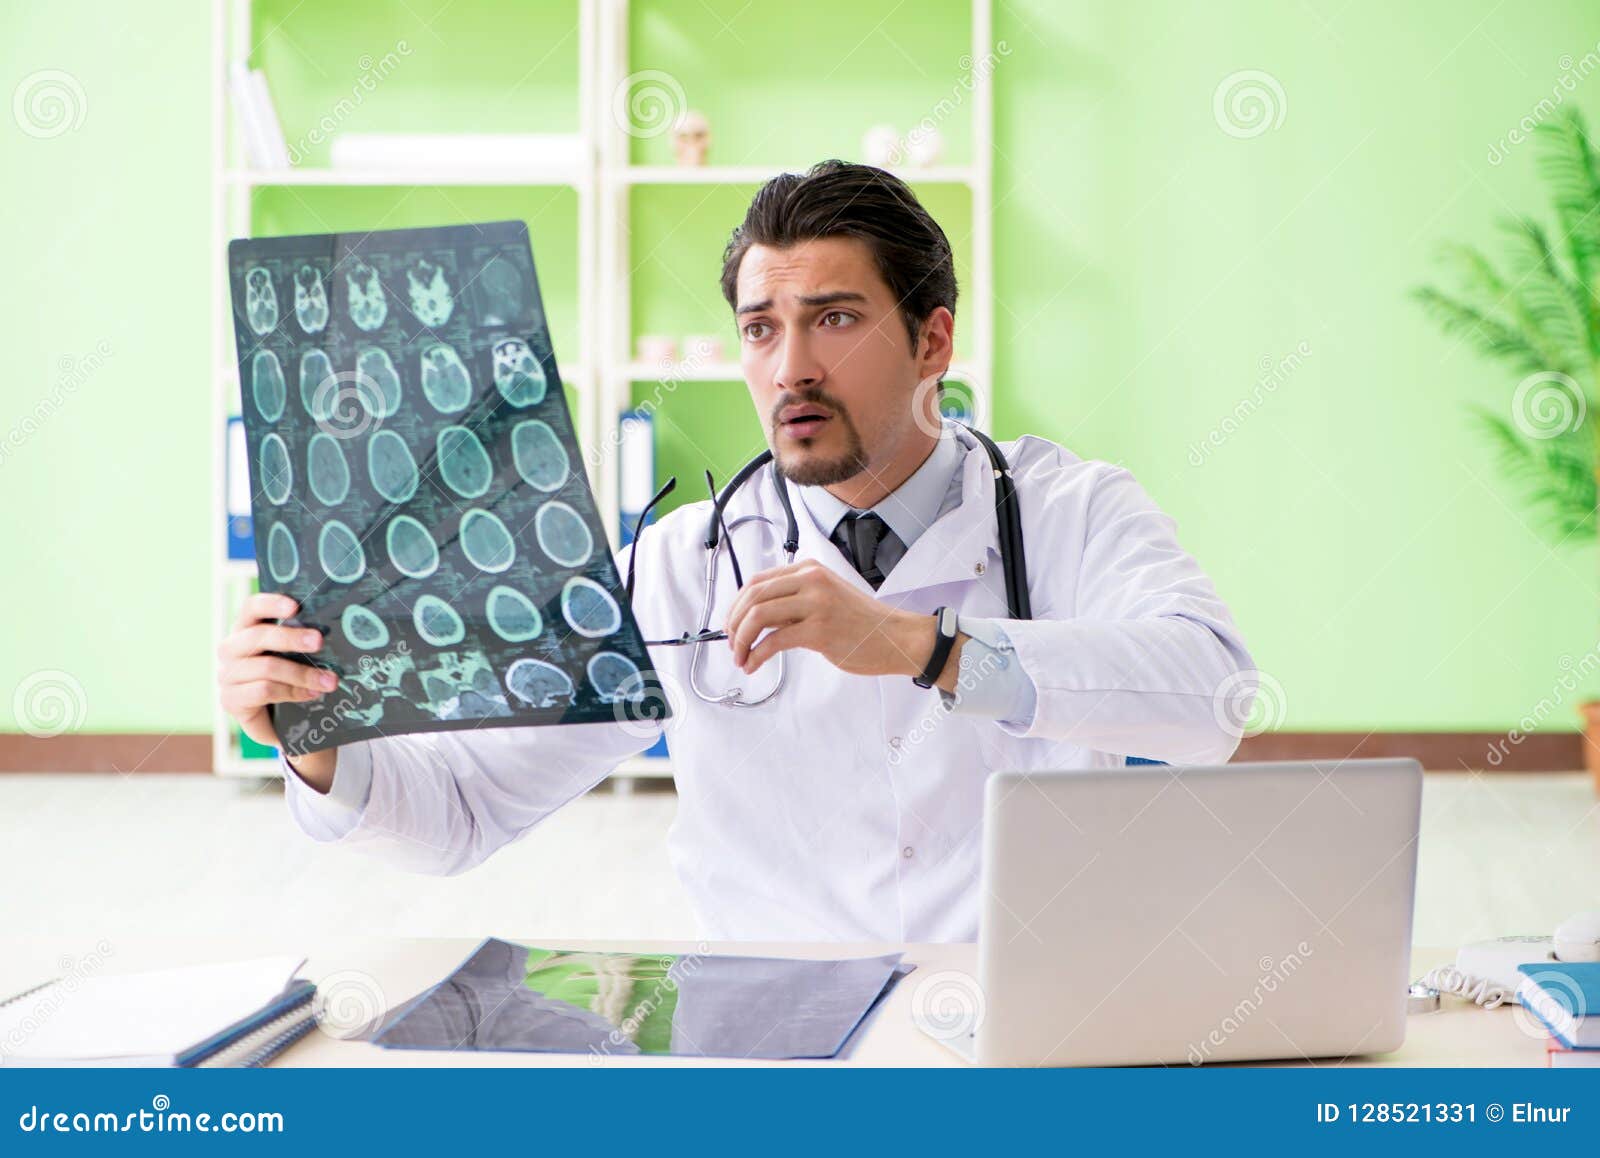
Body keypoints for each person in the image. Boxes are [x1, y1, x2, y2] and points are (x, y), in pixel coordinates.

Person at [217, 160, 1256, 943]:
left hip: (1011, 1032)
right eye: (760, 329)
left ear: (932, 341)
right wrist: (317, 738)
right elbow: (459, 812)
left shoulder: (1066, 511)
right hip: (778, 1049)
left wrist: (927, 650)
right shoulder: (683, 564)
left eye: (834, 319)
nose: (790, 367)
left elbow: (1212, 700)